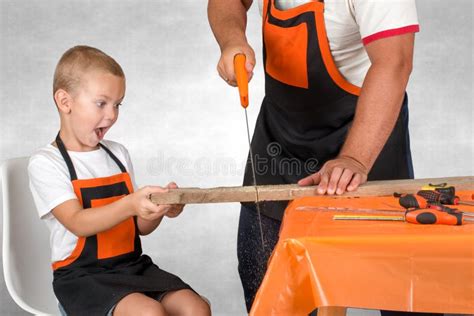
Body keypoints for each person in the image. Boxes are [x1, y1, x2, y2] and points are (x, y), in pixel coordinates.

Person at [208, 1, 439, 315]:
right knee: (264, 277)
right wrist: (232, 39)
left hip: (366, 138)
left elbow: (394, 62)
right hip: (281, 137)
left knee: (401, 290)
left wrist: (355, 159)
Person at [28, 45, 211, 316]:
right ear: (65, 102)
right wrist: (131, 204)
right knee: (149, 313)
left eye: (117, 104)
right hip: (83, 278)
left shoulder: (118, 154)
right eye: (101, 103)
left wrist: (158, 209)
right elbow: (78, 223)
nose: (112, 114)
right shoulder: (47, 163)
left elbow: (138, 227)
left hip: (131, 267)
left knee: (195, 307)